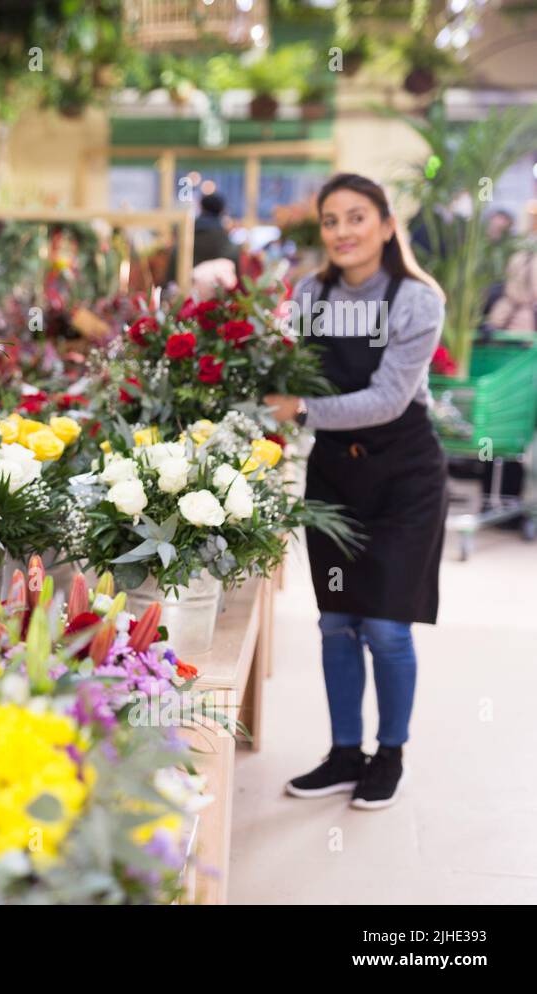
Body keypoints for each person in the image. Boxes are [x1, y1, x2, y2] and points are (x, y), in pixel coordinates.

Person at [263, 172, 447, 811]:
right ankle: (345, 754)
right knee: (337, 622)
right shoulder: (310, 293)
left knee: (388, 629)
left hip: (405, 477)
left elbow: (388, 399)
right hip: (337, 474)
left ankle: (388, 753)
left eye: (356, 217)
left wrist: (299, 412)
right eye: (331, 220)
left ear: (387, 225)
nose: (342, 231)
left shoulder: (417, 300)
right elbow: (282, 370)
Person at [191, 192, 239, 274]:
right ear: (222, 211)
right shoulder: (222, 237)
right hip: (218, 284)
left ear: (201, 208)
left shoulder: (190, 232)